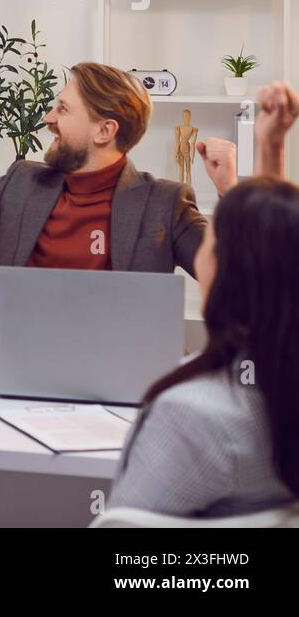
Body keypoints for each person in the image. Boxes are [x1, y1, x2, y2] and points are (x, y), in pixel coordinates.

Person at [0, 63, 235, 353]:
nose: (47, 118)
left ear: (104, 130)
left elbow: (233, 285)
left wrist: (230, 193)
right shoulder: (21, 185)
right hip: (13, 370)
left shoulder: (164, 203)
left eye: (63, 109)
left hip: (122, 383)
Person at [109, 80, 299, 517]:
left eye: (210, 244)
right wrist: (269, 148)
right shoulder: (274, 391)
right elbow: (274, 253)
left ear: (222, 271)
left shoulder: (193, 418)